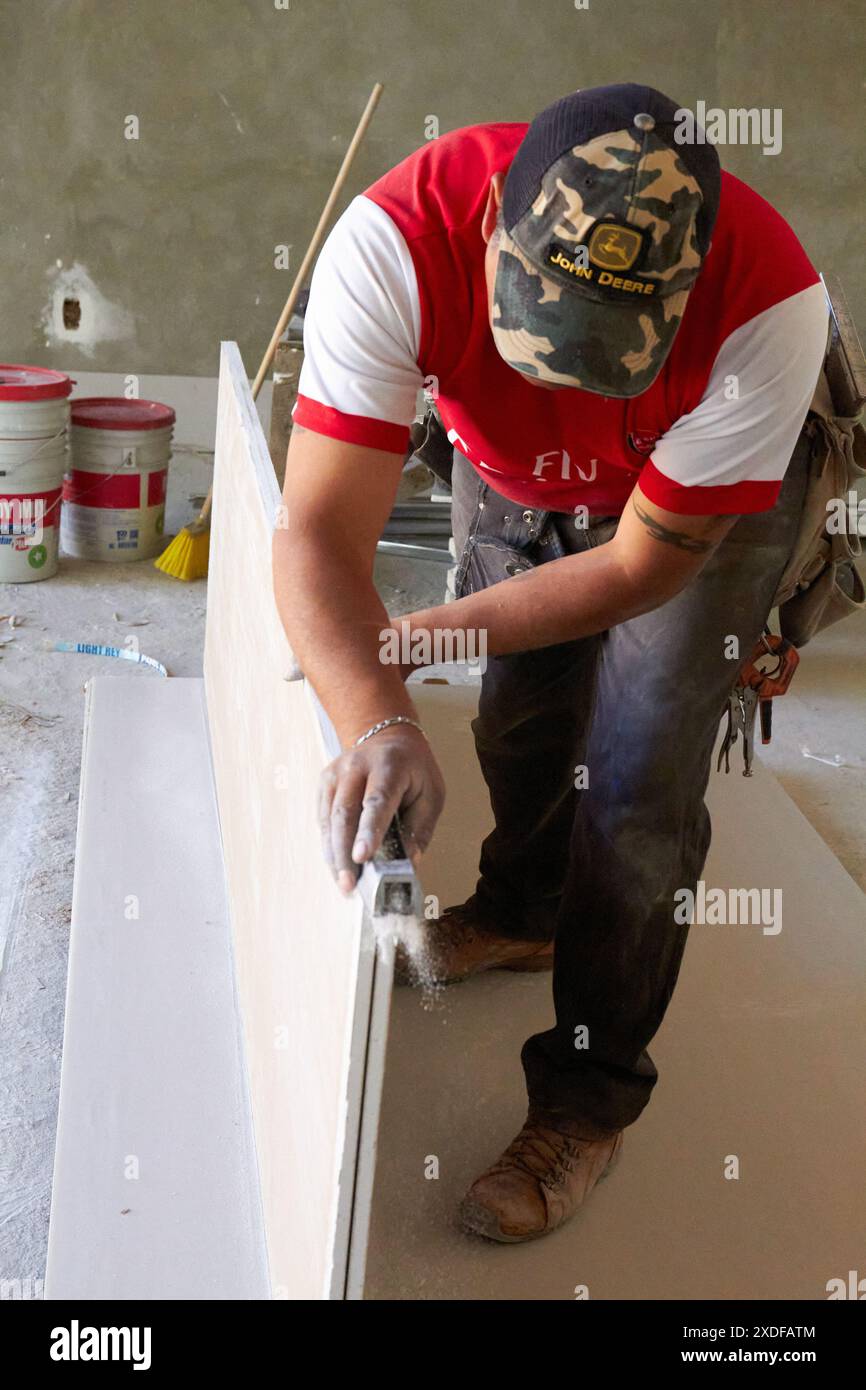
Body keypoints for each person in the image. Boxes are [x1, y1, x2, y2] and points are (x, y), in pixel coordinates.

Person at [273, 83, 828, 1243]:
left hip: (694, 504)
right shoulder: (394, 244)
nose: (563, 379)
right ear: (488, 231)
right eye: (541, 331)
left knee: (632, 781)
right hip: (511, 465)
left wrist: (417, 634)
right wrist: (377, 711)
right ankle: (524, 911)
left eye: (603, 355)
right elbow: (316, 537)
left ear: (681, 296)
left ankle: (585, 1101)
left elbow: (631, 576)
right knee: (520, 715)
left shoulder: (764, 309)